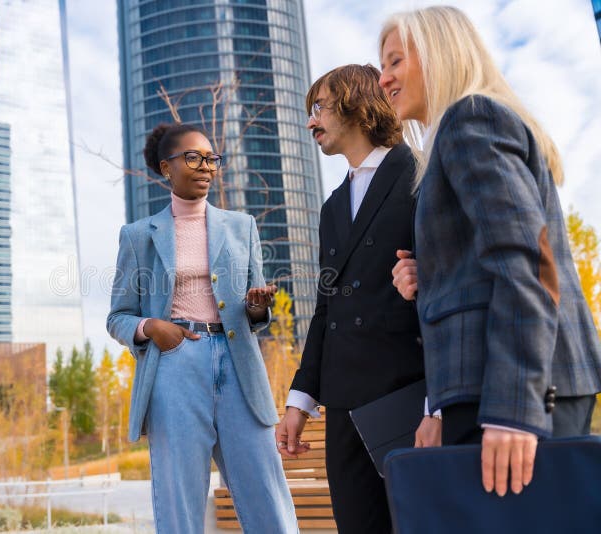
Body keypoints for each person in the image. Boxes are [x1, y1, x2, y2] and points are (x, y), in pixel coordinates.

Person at [380, 5, 601, 498]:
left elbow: (526, 261)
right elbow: (495, 258)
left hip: (513, 393)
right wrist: (428, 276)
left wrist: (513, 407)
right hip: (503, 386)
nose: (383, 79)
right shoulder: (456, 133)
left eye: (395, 61)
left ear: (440, 54)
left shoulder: (469, 119)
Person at [107, 123, 297, 533]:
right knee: (179, 499)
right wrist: (151, 326)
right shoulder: (138, 236)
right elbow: (117, 317)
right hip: (174, 366)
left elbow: (254, 308)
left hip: (238, 364)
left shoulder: (242, 226)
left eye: (211, 159)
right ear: (167, 167)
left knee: (266, 491)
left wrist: (256, 308)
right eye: (193, 158)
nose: (206, 167)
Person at [274, 64, 430, 534]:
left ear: (356, 104)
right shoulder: (331, 207)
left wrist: (438, 405)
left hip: (408, 398)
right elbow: (328, 309)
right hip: (344, 411)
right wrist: (300, 399)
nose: (311, 121)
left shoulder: (420, 172)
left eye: (319, 107)